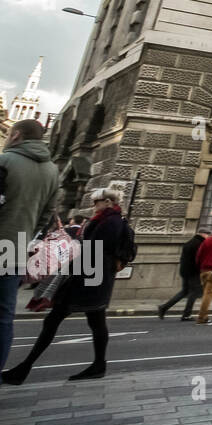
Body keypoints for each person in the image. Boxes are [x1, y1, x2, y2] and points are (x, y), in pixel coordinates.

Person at [2, 187, 130, 384]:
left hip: (90, 280)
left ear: (108, 202)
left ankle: (24, 368)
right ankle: (98, 365)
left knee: (55, 321)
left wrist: (73, 252)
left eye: (97, 202)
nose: (93, 205)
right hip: (91, 278)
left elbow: (96, 250)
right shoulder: (105, 219)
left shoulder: (111, 222)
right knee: (95, 323)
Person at [0, 119, 59, 371]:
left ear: (15, 135)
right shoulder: (52, 171)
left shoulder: (5, 161)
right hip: (15, 251)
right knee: (3, 318)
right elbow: (46, 216)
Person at [157, 227, 209, 321]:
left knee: (185, 291)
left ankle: (164, 307)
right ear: (203, 234)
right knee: (195, 292)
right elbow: (199, 260)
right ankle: (186, 314)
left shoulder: (189, 242)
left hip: (184, 271)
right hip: (193, 272)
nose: (208, 237)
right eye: (207, 234)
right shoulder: (200, 244)